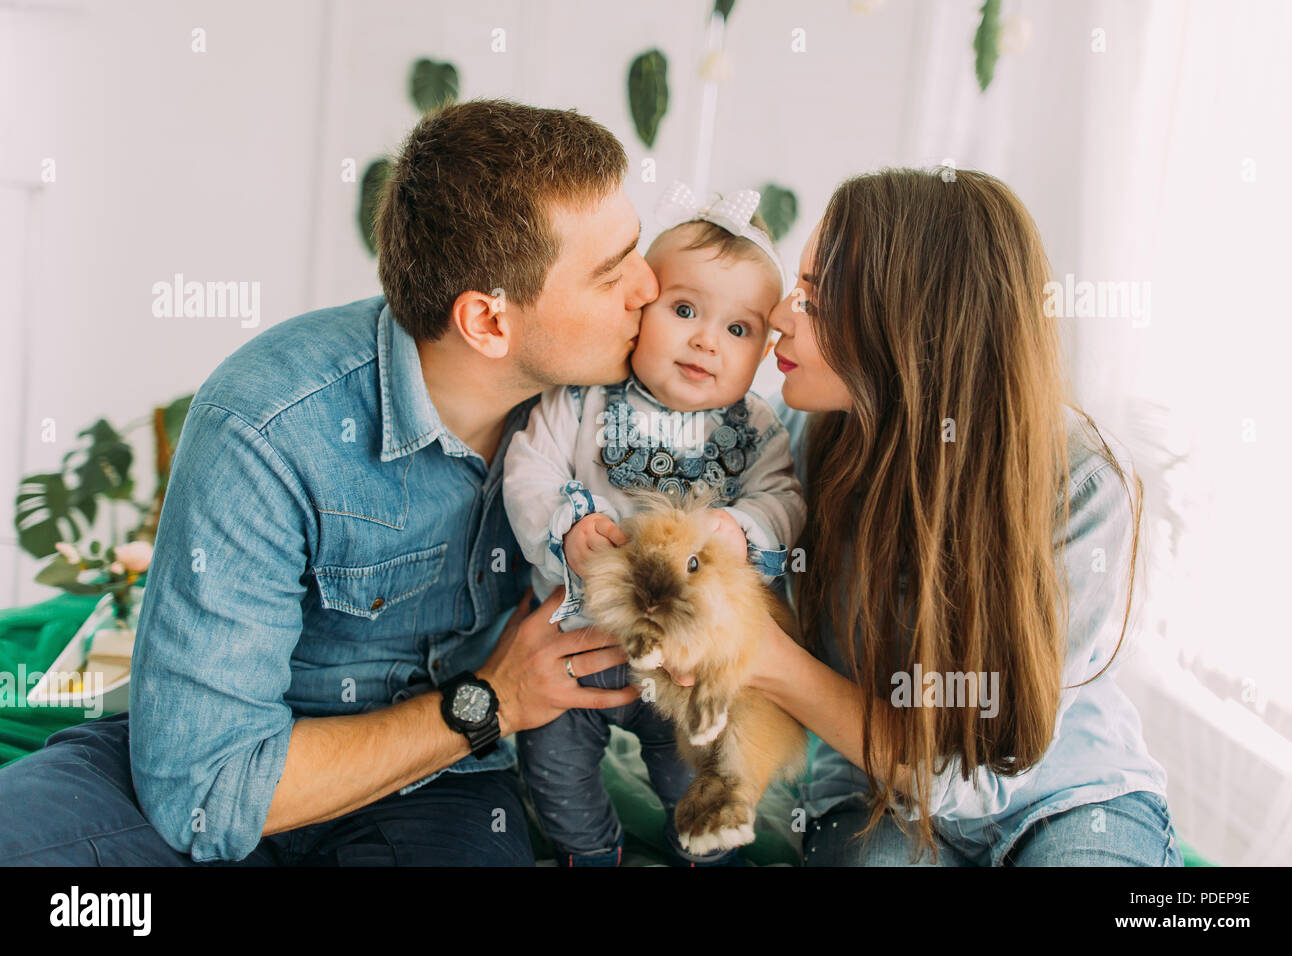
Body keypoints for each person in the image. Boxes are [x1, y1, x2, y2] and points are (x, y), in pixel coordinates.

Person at [0, 99, 658, 866]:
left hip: (439, 784)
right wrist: (496, 699)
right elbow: (205, 790)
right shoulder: (267, 425)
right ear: (486, 323)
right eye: (614, 273)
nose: (648, 286)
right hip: (234, 755)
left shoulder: (619, 405)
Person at [742, 168, 1182, 866]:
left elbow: (968, 775)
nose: (779, 316)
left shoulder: (1083, 484)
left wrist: (768, 662)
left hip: (1066, 796)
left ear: (912, 332)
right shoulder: (801, 440)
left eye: (817, 301)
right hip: (871, 785)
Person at [503, 185, 805, 865]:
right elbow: (529, 471)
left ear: (762, 351)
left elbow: (783, 501)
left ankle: (697, 846)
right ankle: (591, 853)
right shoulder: (581, 399)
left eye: (738, 329)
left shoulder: (756, 427)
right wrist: (567, 527)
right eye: (685, 309)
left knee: (690, 771)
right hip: (576, 640)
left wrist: (743, 527)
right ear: (641, 307)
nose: (705, 339)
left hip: (687, 665)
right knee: (552, 767)